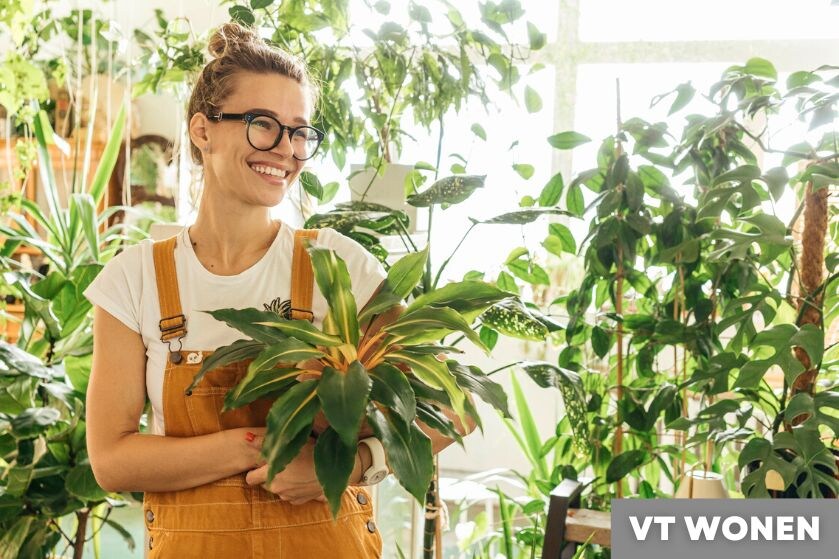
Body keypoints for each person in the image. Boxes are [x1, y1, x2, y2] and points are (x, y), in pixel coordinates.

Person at [84, 22, 472, 558]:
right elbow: (112, 460)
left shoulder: (334, 264)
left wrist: (348, 466)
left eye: (299, 131)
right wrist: (253, 444)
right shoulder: (135, 279)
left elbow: (453, 408)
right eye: (263, 124)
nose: (286, 149)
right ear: (203, 130)